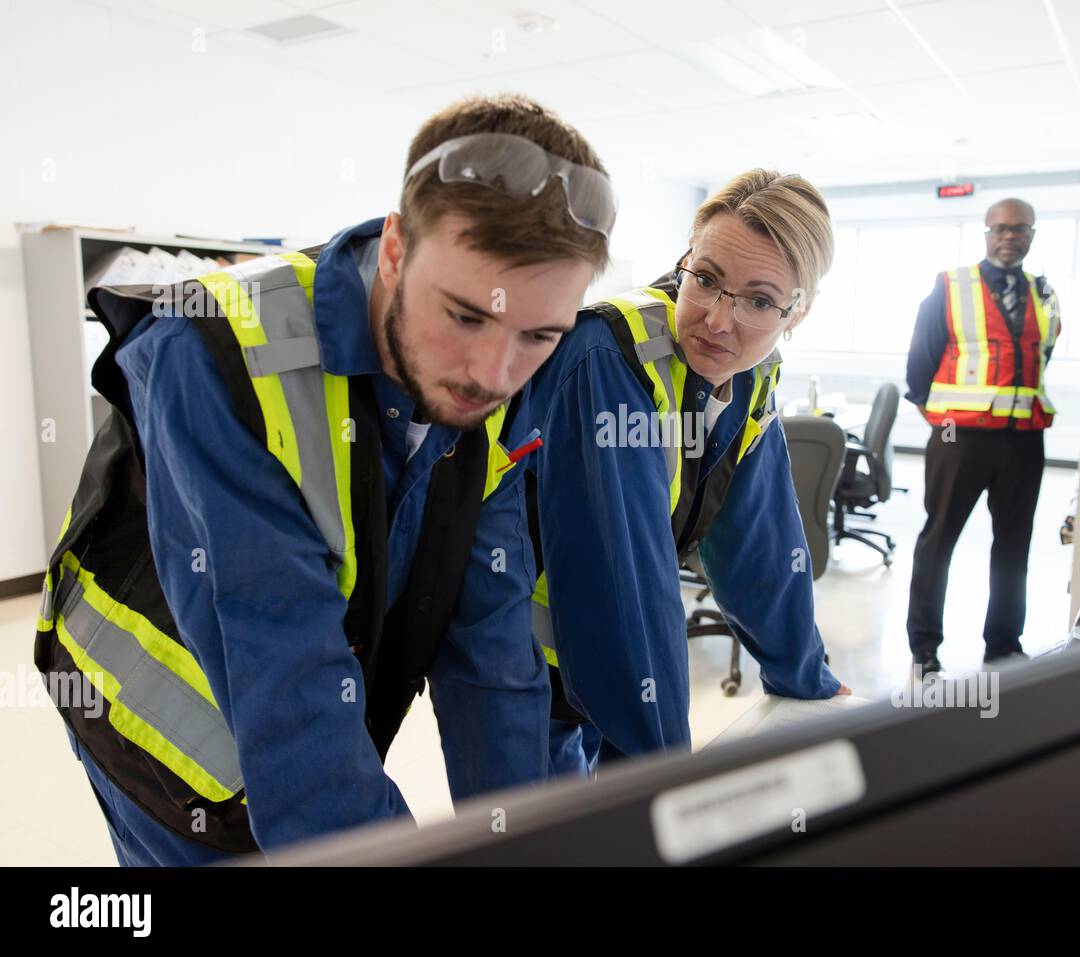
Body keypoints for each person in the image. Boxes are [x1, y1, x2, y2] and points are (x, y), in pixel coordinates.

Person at [34, 94, 614, 864]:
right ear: (398, 248)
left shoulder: (495, 390)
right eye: (466, 317)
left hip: (306, 712)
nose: (494, 373)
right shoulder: (213, 351)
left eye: (540, 335)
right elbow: (290, 687)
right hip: (164, 740)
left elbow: (490, 650)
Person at [517, 169, 849, 776]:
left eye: (758, 300)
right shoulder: (611, 357)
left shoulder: (752, 375)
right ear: (683, 262)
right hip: (519, 658)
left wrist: (804, 678)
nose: (718, 321)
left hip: (591, 653)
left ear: (796, 313)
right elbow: (624, 581)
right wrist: (669, 774)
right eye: (706, 280)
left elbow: (760, 543)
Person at [903, 197, 1061, 677]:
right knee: (940, 540)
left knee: (1014, 544)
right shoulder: (950, 286)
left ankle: (1003, 644)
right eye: (999, 228)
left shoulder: (1044, 292)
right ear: (986, 234)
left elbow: (1043, 353)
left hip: (1022, 439)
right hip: (960, 439)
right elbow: (920, 363)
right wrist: (943, 421)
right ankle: (924, 648)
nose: (1009, 236)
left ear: (1032, 234)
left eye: (1019, 228)